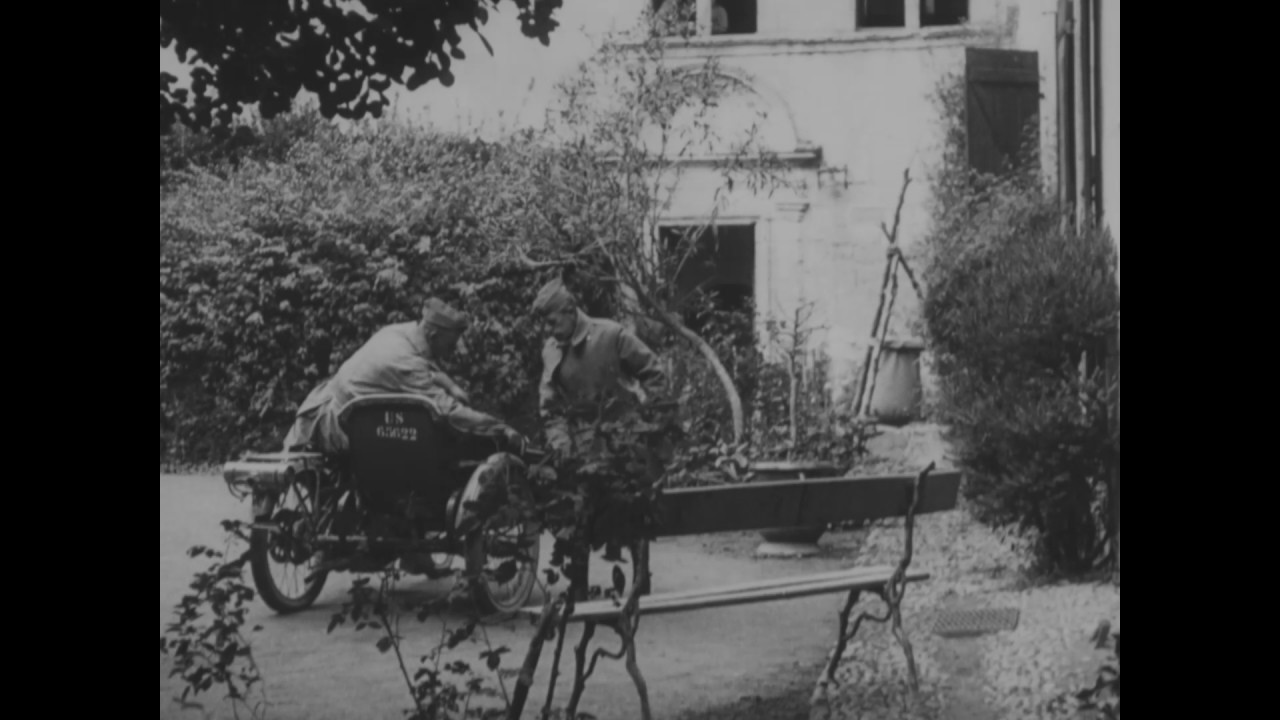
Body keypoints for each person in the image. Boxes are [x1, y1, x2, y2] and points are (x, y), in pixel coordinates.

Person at [531, 278, 668, 592]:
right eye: (546, 325)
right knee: (576, 508)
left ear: (570, 310)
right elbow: (550, 406)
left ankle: (639, 578)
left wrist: (650, 422)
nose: (550, 331)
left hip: (623, 441)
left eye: (553, 322)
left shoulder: (611, 335)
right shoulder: (552, 351)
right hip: (580, 445)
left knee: (634, 503)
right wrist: (560, 441)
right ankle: (577, 584)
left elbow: (653, 371)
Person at [283, 297, 523, 456]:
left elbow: (428, 367)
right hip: (328, 427)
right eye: (451, 344)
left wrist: (451, 385)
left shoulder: (399, 332)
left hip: (334, 411)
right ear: (432, 334)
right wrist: (500, 429)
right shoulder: (405, 363)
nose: (456, 350)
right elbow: (448, 411)